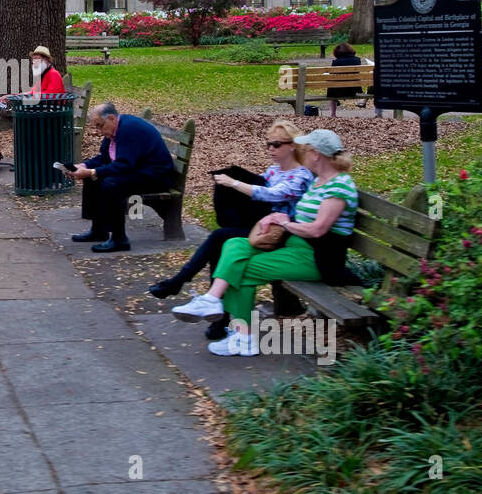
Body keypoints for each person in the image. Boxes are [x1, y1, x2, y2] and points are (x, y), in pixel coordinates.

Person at [171, 129, 359, 357]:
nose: (302, 153)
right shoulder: (319, 181)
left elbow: (318, 229)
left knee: (241, 270)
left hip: (318, 258)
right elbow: (303, 219)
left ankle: (243, 336)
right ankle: (212, 300)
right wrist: (279, 218)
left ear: (316, 154)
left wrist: (287, 224)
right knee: (232, 244)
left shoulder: (339, 186)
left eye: (305, 149)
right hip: (297, 246)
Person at [151, 121, 314, 337]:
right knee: (221, 243)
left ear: (292, 145)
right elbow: (260, 192)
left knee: (220, 237)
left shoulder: (301, 175)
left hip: (284, 235)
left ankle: (185, 285)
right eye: (268, 144)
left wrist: (233, 183)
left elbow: (272, 194)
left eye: (276, 144)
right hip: (263, 227)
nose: (271, 149)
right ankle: (217, 314)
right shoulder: (274, 170)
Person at [68, 103, 175, 253]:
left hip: (156, 176)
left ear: (111, 118)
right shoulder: (114, 129)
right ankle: (99, 230)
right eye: (96, 127)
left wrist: (92, 172)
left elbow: (124, 165)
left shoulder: (128, 129)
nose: (99, 132)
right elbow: (104, 158)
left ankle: (120, 239)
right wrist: (83, 166)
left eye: (100, 126)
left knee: (111, 184)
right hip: (138, 171)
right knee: (95, 178)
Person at [327, 42, 363, 118]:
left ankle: (333, 114)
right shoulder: (357, 61)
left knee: (331, 85)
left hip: (336, 92)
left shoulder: (335, 62)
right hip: (353, 90)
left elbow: (333, 77)